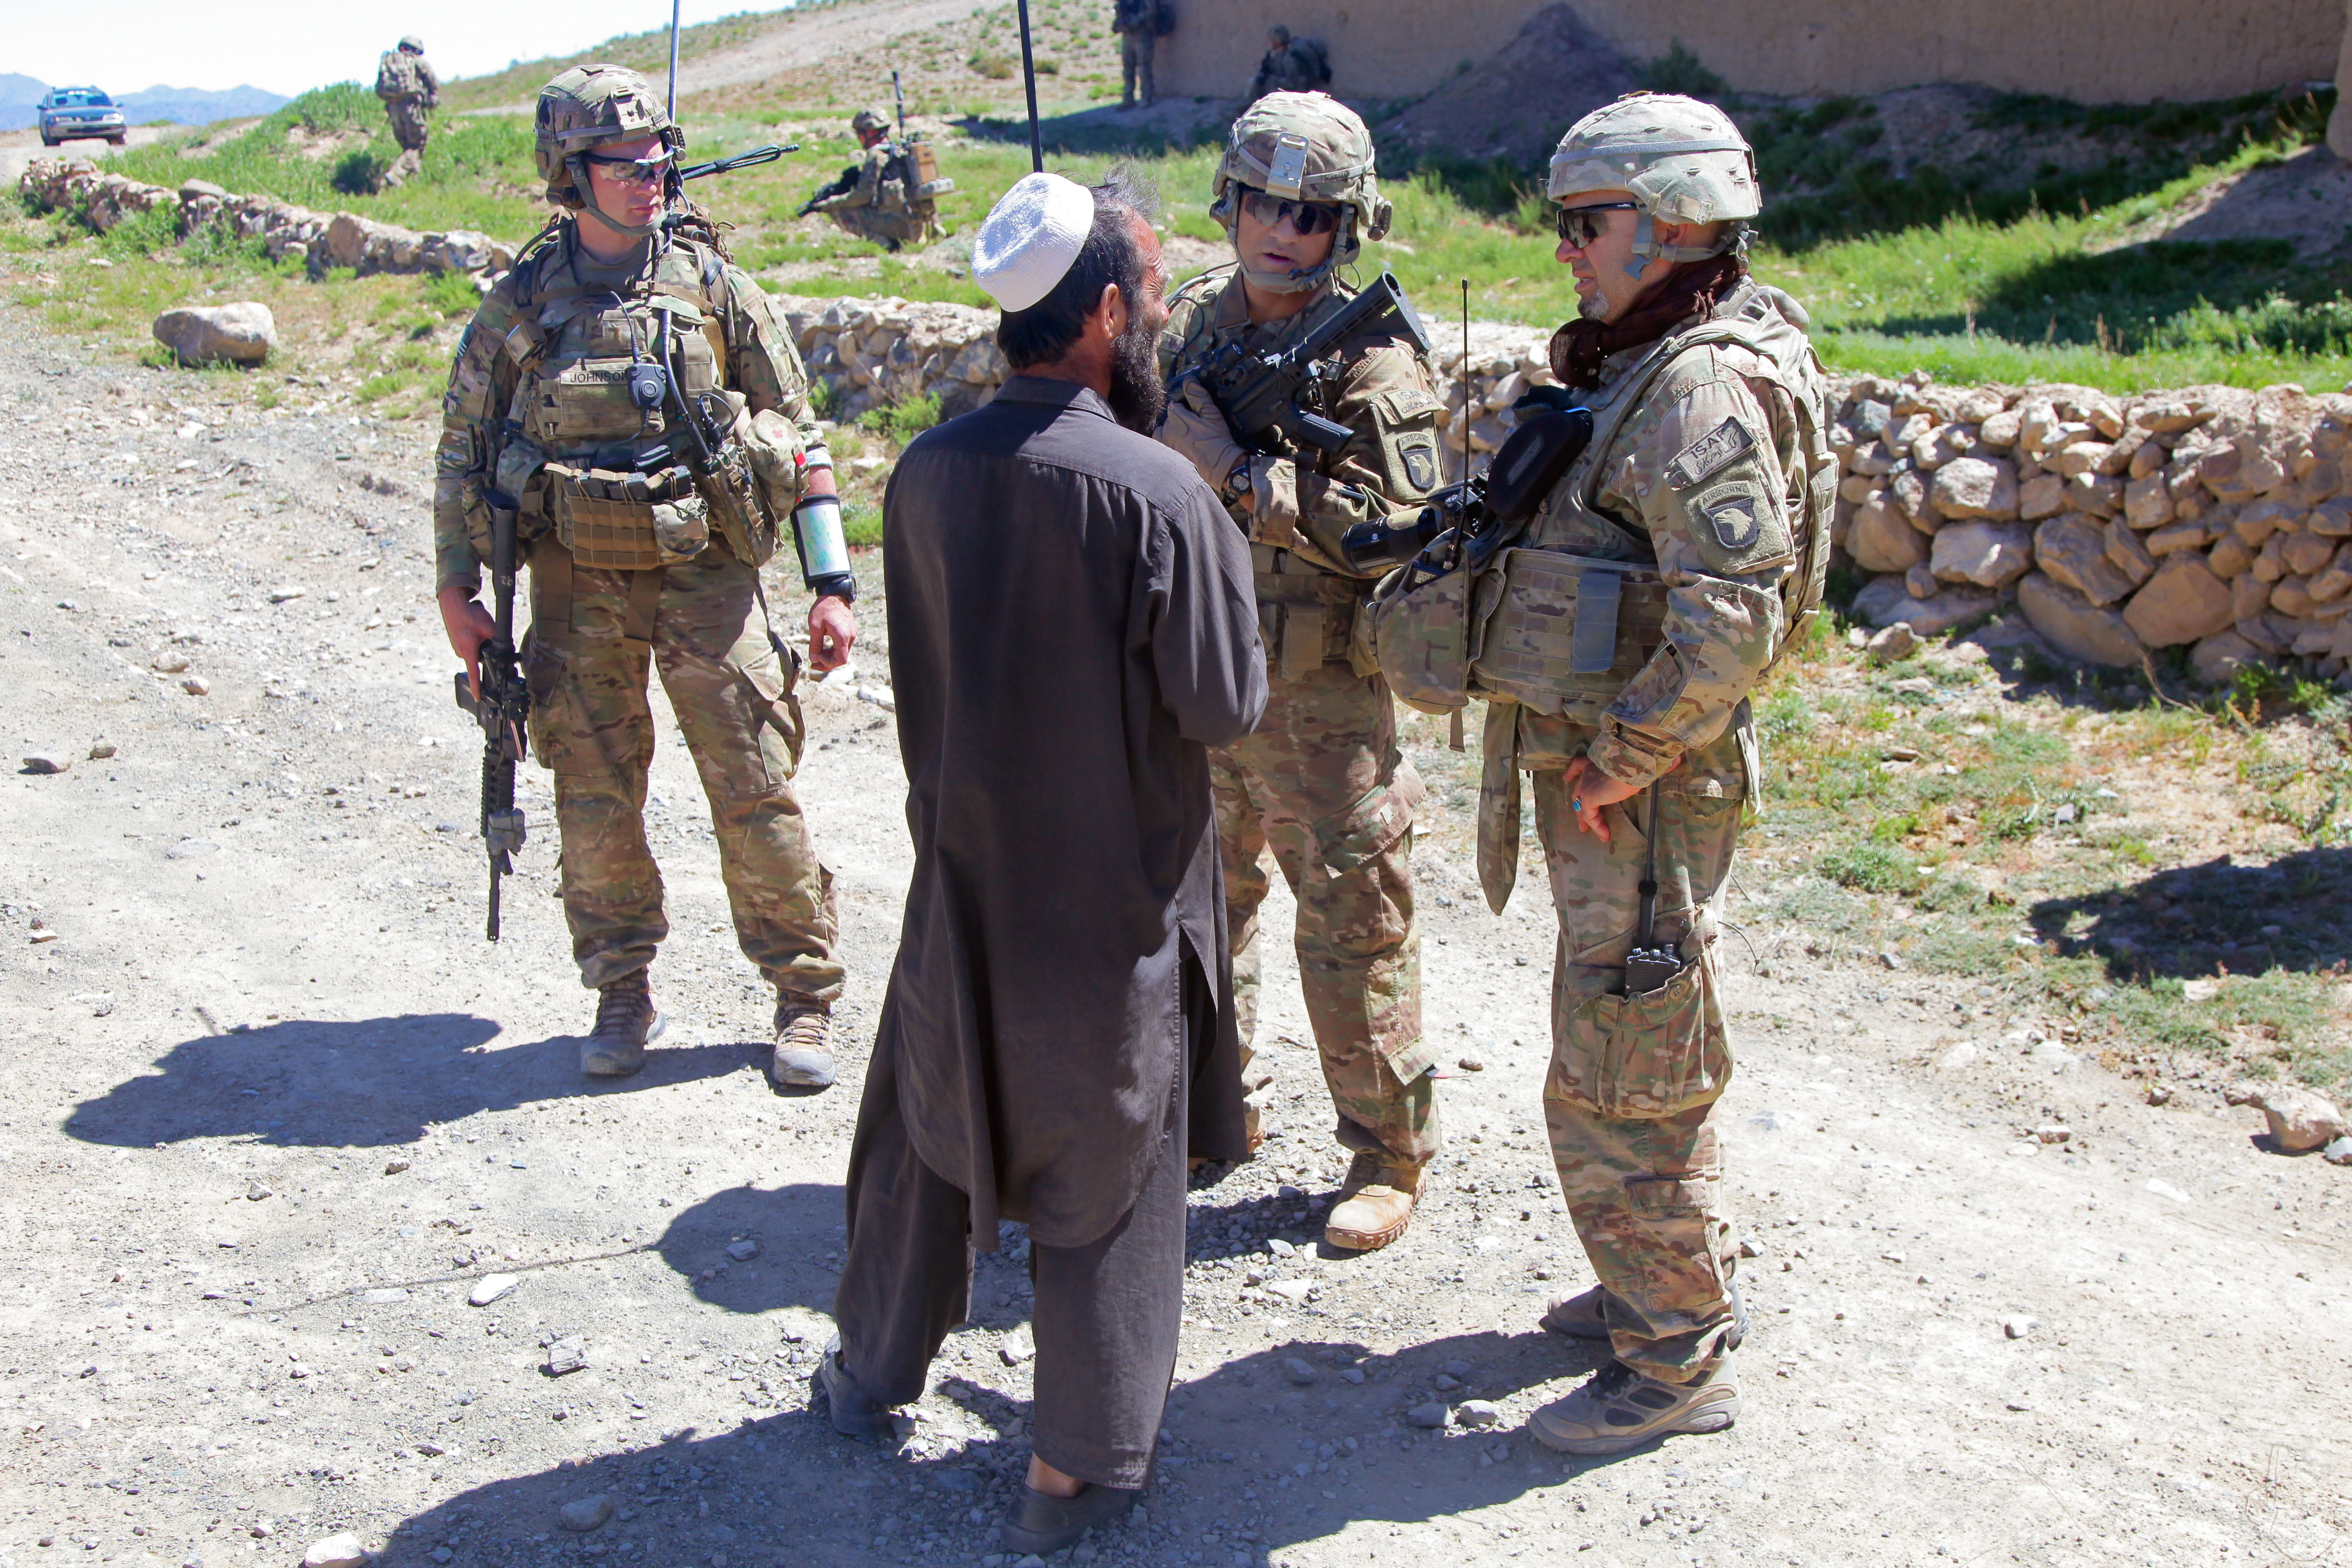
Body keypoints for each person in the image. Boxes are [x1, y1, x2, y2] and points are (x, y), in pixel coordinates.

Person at [820, 169, 1265, 1557]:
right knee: (1110, 1159)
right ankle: (1071, 1466)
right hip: (1107, 905)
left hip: (958, 883)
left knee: (922, 1119)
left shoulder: (920, 471)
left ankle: (869, 1371)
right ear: (1111, 313)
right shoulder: (1160, 495)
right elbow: (1222, 704)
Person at [1382, 90, 1832, 1453]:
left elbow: (1733, 615)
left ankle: (1674, 1360)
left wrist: (1621, 758)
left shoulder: (1694, 387)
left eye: (1589, 222)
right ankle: (1649, 1280)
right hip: (1610, 776)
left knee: (1619, 1062)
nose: (1564, 246)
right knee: (1630, 1039)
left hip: (1630, 789)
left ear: (1674, 222)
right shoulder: (1643, 360)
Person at [431, 64, 859, 1090]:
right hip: (576, 583)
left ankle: (803, 992)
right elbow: (461, 449)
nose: (648, 177)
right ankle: (620, 984)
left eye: (656, 156)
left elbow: (799, 441)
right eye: (621, 163)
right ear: (568, 176)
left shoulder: (715, 288)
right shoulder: (521, 303)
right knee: (592, 792)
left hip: (705, 575)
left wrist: (831, 580)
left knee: (755, 781)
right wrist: (459, 595)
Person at [1155, 92, 1446, 1252]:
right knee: (1198, 911)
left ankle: (1387, 1151)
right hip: (1198, 670)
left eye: (1312, 215)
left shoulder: (1375, 363)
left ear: (1346, 229)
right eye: (1264, 205)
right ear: (1228, 203)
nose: (1283, 232)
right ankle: (1213, 1111)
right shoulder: (1194, 326)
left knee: (1352, 923)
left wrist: (1234, 475)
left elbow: (1396, 529)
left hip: (1321, 697)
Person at [805, 108, 938, 252]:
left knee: (838, 210)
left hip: (899, 227)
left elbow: (862, 196)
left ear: (870, 132)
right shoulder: (900, 151)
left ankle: (884, 243)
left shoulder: (876, 156)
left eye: (859, 133)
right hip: (916, 226)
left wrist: (828, 203)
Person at [375, 36, 438, 182]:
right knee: (417, 144)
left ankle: (415, 178)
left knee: (406, 144)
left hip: (392, 107)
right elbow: (432, 80)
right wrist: (432, 97)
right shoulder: (415, 61)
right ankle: (396, 175)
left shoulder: (388, 60)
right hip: (411, 105)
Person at [1248, 25, 1329, 104]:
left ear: (1277, 40)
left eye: (1272, 39)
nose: (1270, 42)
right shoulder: (1278, 56)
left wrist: (1273, 80)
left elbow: (1293, 83)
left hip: (1296, 96)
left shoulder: (1290, 59)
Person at [1111, 0, 1159, 110]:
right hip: (1128, 36)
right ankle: (1128, 99)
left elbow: (1151, 13)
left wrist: (1137, 20)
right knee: (1128, 69)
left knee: (1143, 68)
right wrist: (1119, 23)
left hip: (1142, 34)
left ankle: (1146, 98)